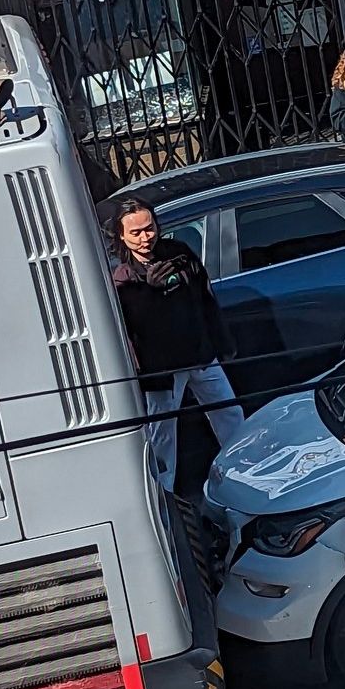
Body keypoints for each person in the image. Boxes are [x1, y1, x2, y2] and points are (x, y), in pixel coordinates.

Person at [109, 199, 244, 495]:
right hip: (162, 369)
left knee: (229, 413)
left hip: (200, 354)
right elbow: (131, 325)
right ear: (121, 236)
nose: (146, 238)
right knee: (163, 434)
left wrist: (222, 341)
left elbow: (205, 297)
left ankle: (243, 470)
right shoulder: (121, 276)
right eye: (136, 233)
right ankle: (164, 494)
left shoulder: (178, 254)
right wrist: (151, 292)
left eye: (150, 229)